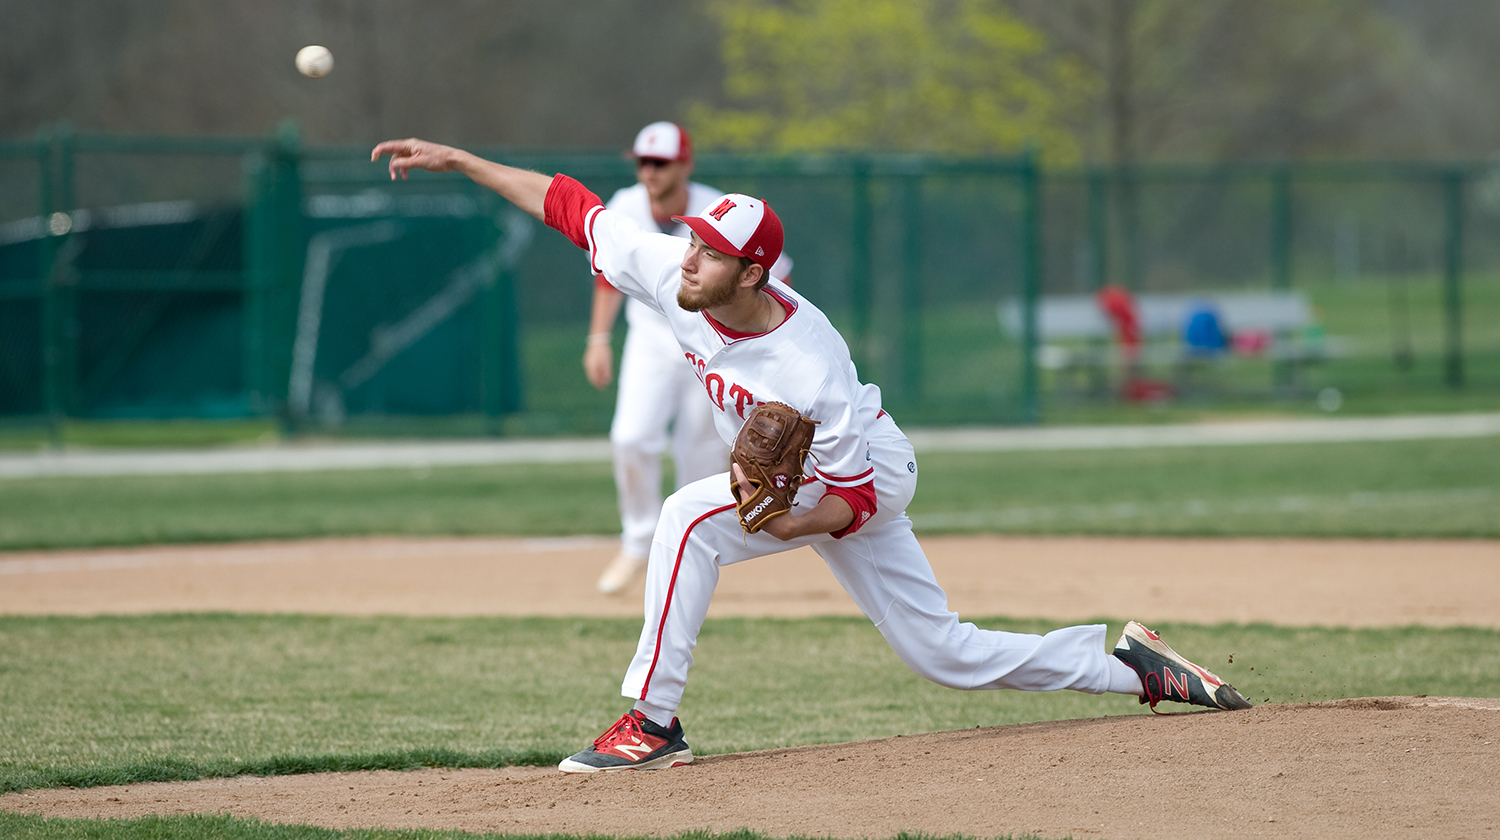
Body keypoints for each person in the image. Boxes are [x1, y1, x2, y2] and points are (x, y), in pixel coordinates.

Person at [371, 137, 1253, 775]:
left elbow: (859, 499)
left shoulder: (810, 363)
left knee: (686, 518)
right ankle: (1133, 668)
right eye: (693, 241)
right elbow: (567, 204)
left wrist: (791, 519)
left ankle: (651, 722)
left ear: (752, 274)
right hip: (805, 477)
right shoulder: (672, 275)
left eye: (712, 253)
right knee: (940, 654)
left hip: (864, 473)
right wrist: (462, 162)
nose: (690, 259)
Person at [585, 122, 791, 595]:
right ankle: (638, 542)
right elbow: (608, 273)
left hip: (711, 341)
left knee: (700, 454)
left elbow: (776, 278)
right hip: (651, 340)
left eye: (660, 162)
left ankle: (696, 554)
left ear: (685, 164)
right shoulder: (625, 205)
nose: (649, 170)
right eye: (642, 161)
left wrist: (766, 355)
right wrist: (598, 338)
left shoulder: (720, 208)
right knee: (631, 437)